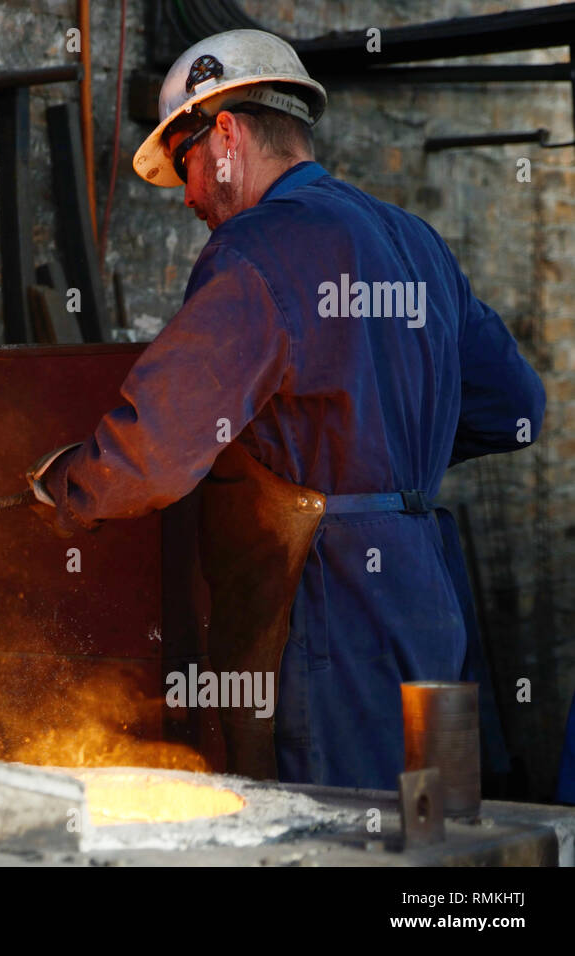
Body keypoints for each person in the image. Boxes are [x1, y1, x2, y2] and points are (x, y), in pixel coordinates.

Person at [28, 29, 546, 790]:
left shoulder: (259, 249)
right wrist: (393, 446)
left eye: (187, 167)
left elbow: (157, 446)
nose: (192, 197)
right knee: (436, 829)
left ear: (227, 134)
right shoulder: (415, 240)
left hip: (334, 596)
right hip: (430, 592)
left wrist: (69, 489)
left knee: (334, 831)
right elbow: (516, 406)